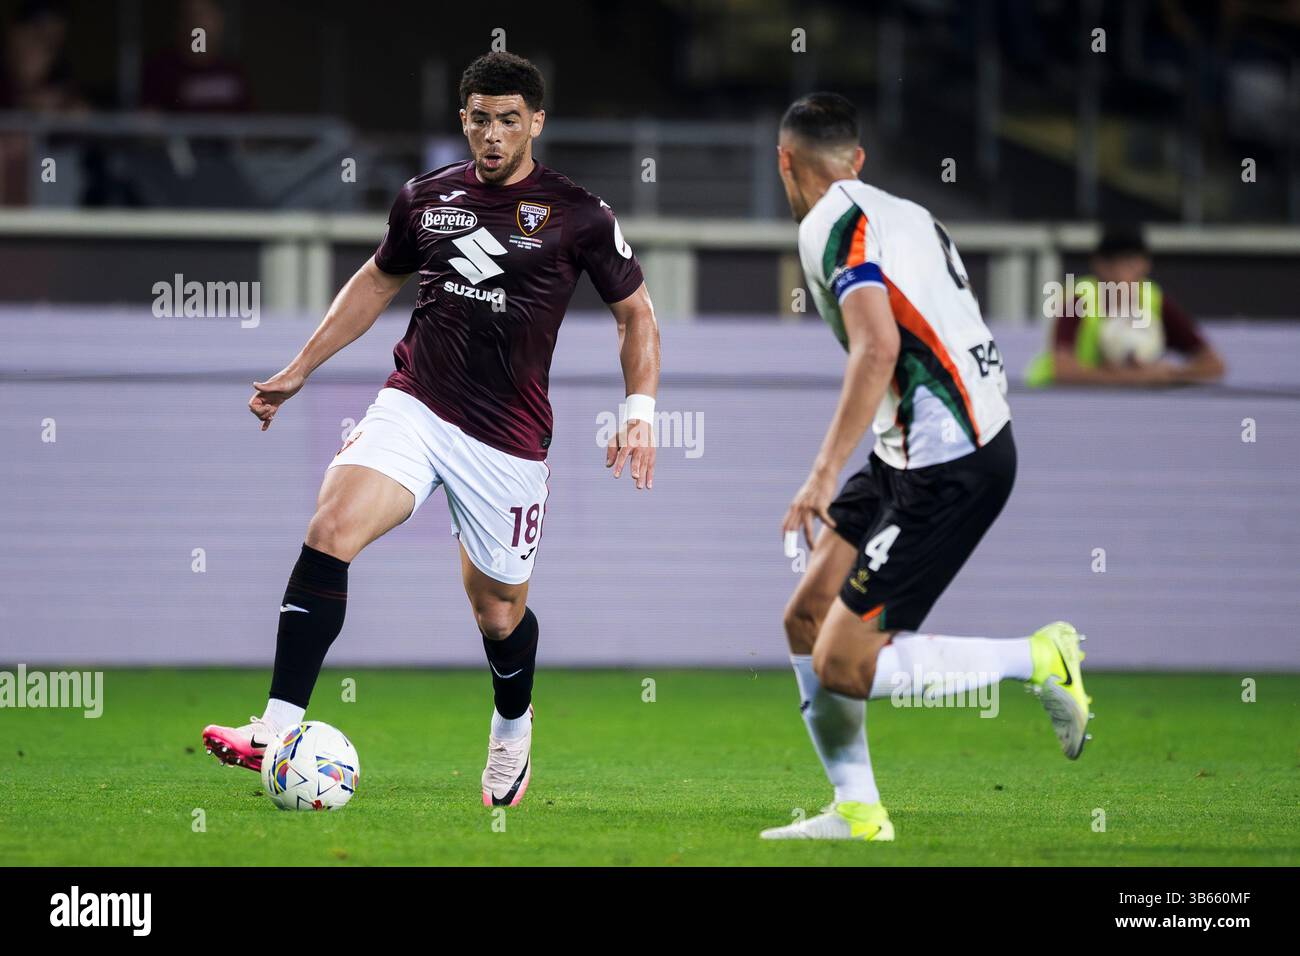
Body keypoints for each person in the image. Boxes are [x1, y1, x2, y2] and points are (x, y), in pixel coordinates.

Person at [201, 52, 660, 808]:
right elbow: (378, 280)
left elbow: (634, 314)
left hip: (507, 440)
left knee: (498, 610)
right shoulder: (425, 198)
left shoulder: (580, 214)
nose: (493, 133)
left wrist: (640, 413)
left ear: (536, 122)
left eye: (509, 119)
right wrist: (300, 367)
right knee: (332, 525)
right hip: (415, 402)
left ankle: (513, 729)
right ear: (463, 120)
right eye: (480, 118)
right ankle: (277, 728)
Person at [763, 93, 1090, 842]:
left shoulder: (825, 225)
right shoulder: (912, 214)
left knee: (845, 662)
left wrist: (819, 473)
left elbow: (878, 347)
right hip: (910, 450)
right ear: (859, 159)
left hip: (951, 462)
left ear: (785, 161)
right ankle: (858, 813)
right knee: (806, 619)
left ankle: (1039, 656)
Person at [1025, 224, 1226, 387]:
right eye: (1112, 263)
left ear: (1145, 264)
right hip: (1056, 402)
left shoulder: (1155, 300)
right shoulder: (1079, 299)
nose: (1121, 273)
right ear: (1098, 265)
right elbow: (1063, 370)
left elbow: (1212, 364)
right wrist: (1134, 378)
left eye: (1130, 262)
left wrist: (1171, 374)